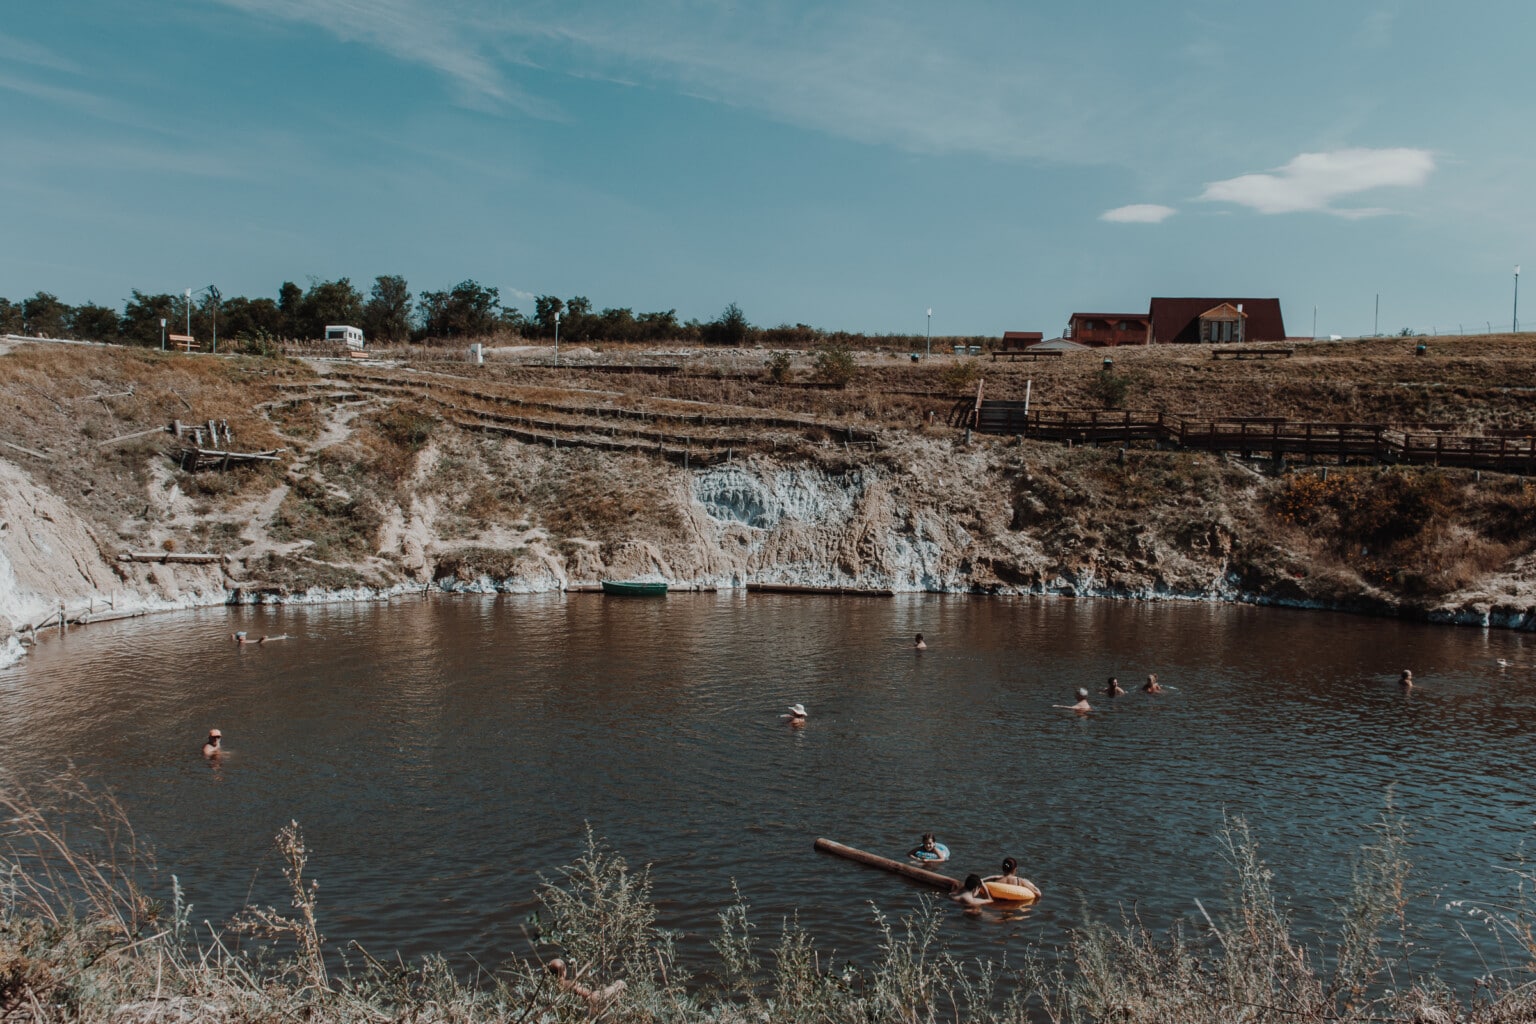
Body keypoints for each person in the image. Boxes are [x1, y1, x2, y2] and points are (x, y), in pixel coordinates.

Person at [547, 958, 626, 1012]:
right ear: (564, 972)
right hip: (593, 997)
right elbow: (574, 979)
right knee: (620, 984)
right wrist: (575, 966)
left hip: (588, 1004)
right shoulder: (567, 983)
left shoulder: (554, 987)